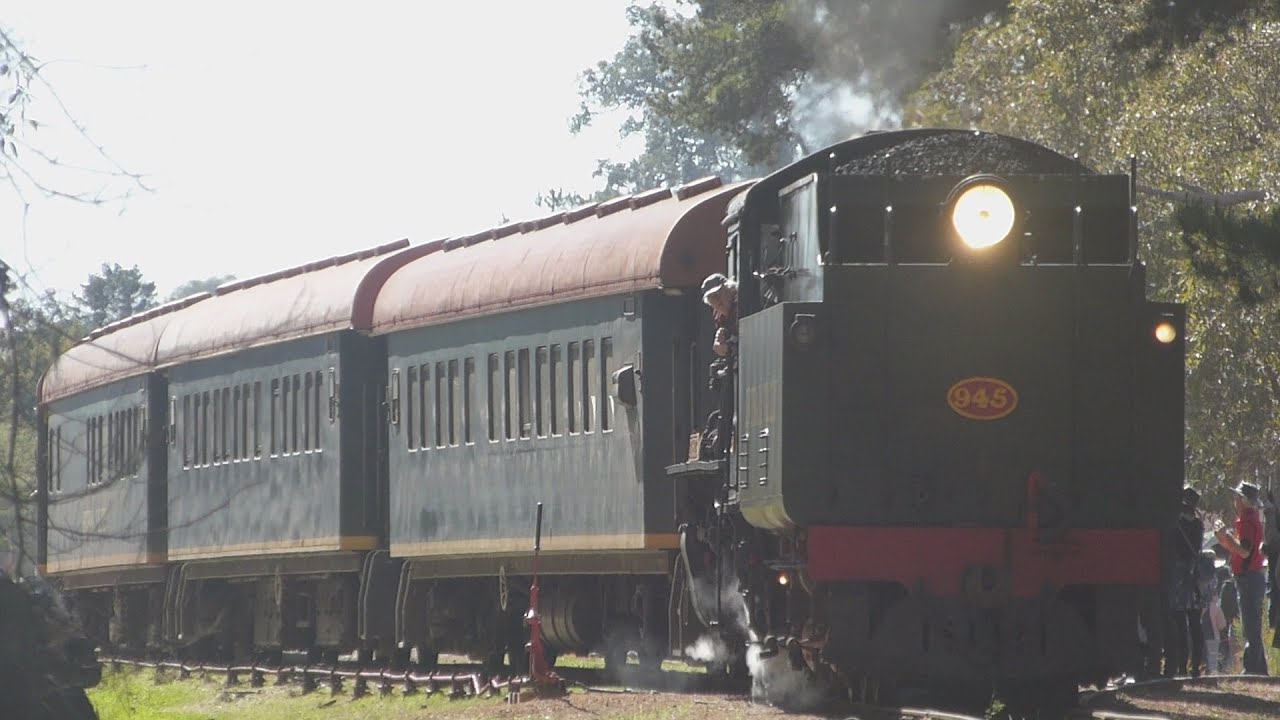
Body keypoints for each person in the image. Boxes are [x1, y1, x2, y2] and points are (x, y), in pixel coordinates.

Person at [1215, 482, 1269, 674]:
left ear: (1243, 500)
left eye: (1237, 497)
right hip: (1251, 577)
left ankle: (1252, 669)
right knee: (1252, 625)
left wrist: (1227, 537)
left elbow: (1245, 552)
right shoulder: (1250, 519)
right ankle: (1260, 669)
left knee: (1251, 626)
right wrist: (1224, 539)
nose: (1235, 501)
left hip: (1249, 578)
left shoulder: (1246, 521)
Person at [1164, 487, 1205, 676]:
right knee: (1195, 624)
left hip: (1179, 576)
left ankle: (1181, 665)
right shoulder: (1199, 525)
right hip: (1193, 574)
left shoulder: (1176, 524)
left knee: (1180, 624)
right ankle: (1196, 665)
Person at [701, 273, 738, 459]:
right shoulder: (719, 317)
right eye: (713, 299)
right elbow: (720, 346)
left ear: (729, 289)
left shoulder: (741, 304)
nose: (718, 302)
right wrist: (720, 345)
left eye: (719, 296)